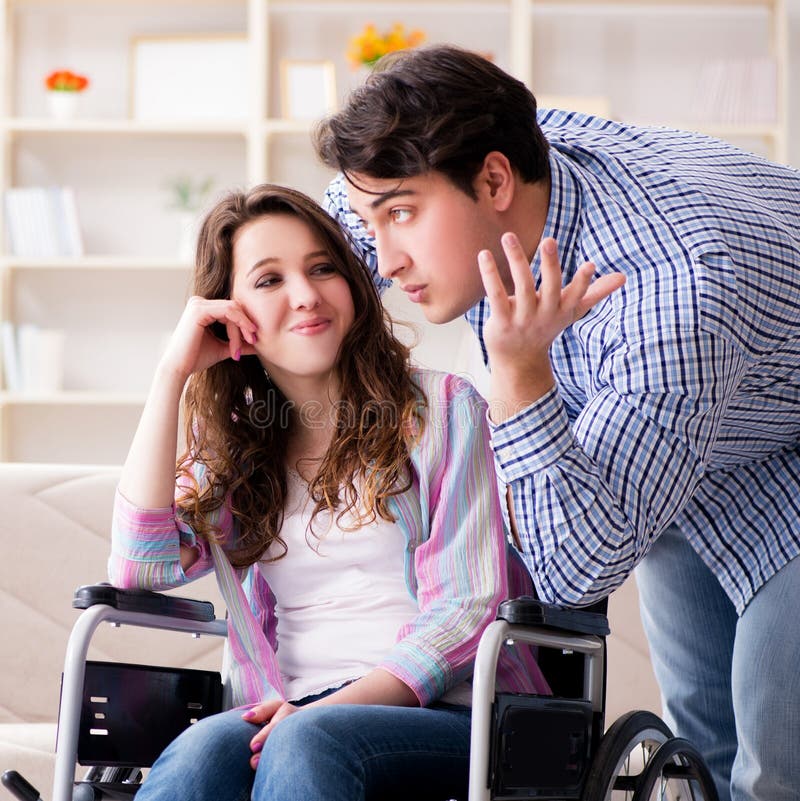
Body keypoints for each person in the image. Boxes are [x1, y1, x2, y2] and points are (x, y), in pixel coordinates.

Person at [315, 44, 800, 801]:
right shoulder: (491, 147)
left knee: (775, 769)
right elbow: (335, 229)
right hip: (700, 421)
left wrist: (518, 373)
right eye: (375, 217)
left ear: (495, 181)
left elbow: (575, 569)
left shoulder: (670, 298)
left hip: (773, 429)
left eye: (401, 215)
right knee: (699, 751)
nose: (387, 255)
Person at [109, 183, 548, 801]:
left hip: (454, 713)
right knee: (198, 754)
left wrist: (325, 711)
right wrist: (171, 375)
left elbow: (466, 610)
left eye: (322, 269)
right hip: (292, 710)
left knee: (305, 742)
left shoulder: (444, 411)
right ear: (227, 313)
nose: (307, 295)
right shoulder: (242, 448)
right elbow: (140, 566)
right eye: (269, 281)